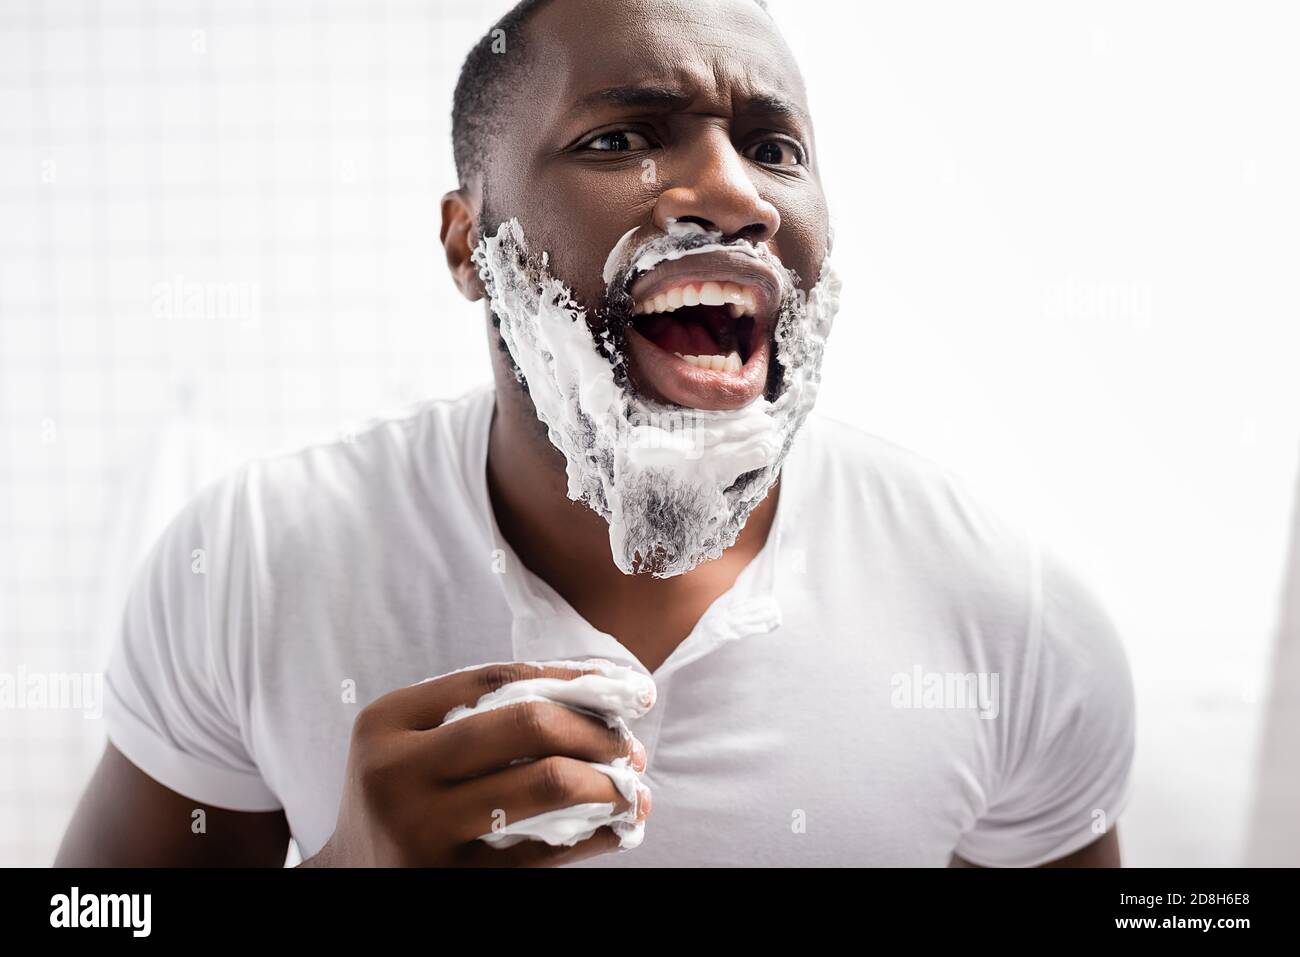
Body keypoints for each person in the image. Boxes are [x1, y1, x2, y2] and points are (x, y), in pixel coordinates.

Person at [56, 0, 1135, 868]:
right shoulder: (251, 560)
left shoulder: (1005, 613)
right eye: (620, 136)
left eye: (772, 147)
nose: (731, 191)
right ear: (470, 244)